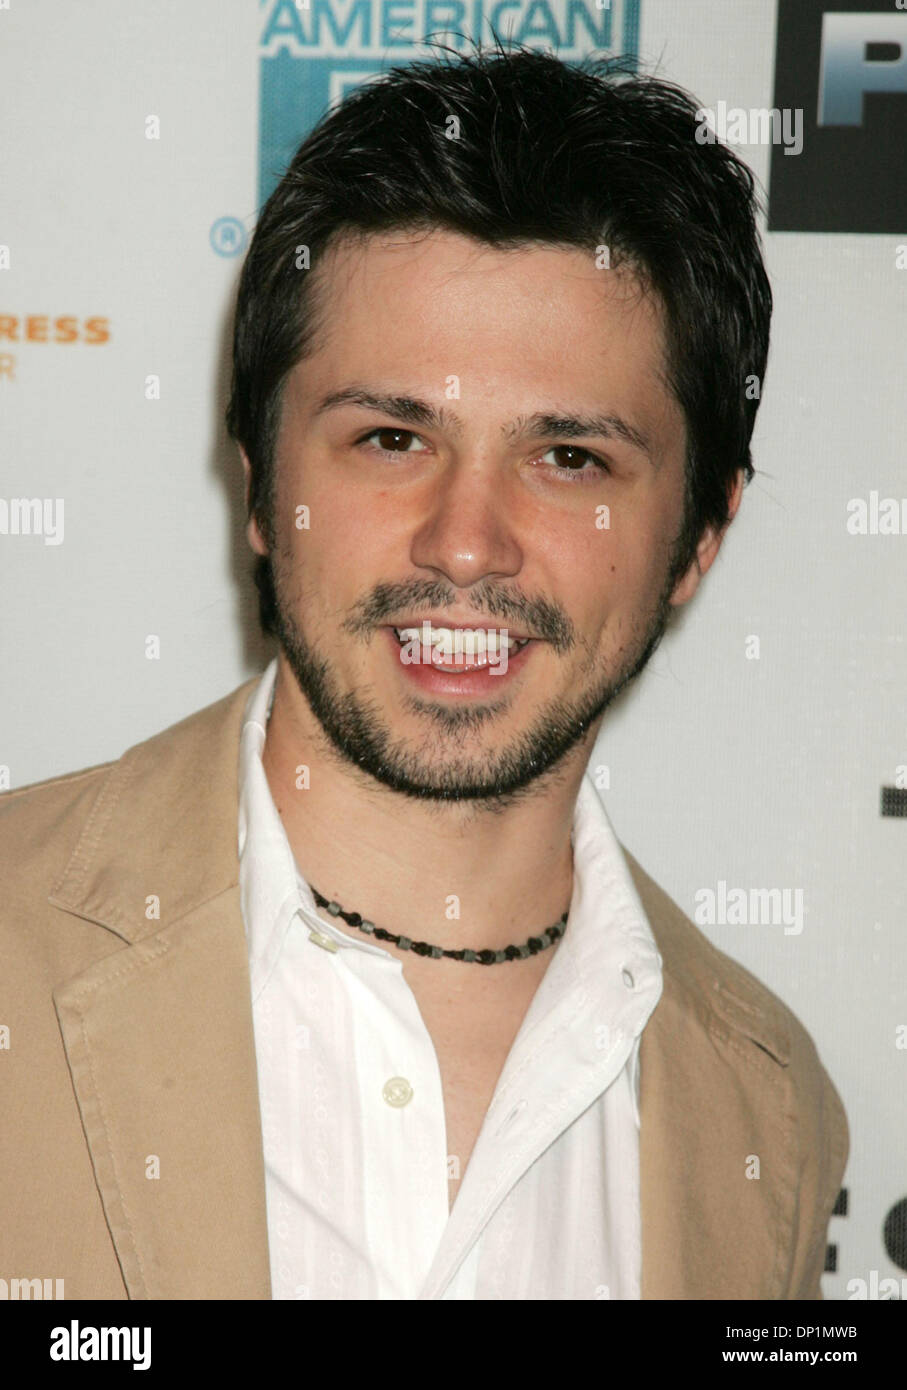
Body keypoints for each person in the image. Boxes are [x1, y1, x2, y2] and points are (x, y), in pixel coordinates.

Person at [0, 44, 847, 1300]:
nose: (464, 540)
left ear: (699, 536)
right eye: (391, 437)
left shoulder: (770, 1112)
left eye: (568, 457)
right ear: (261, 485)